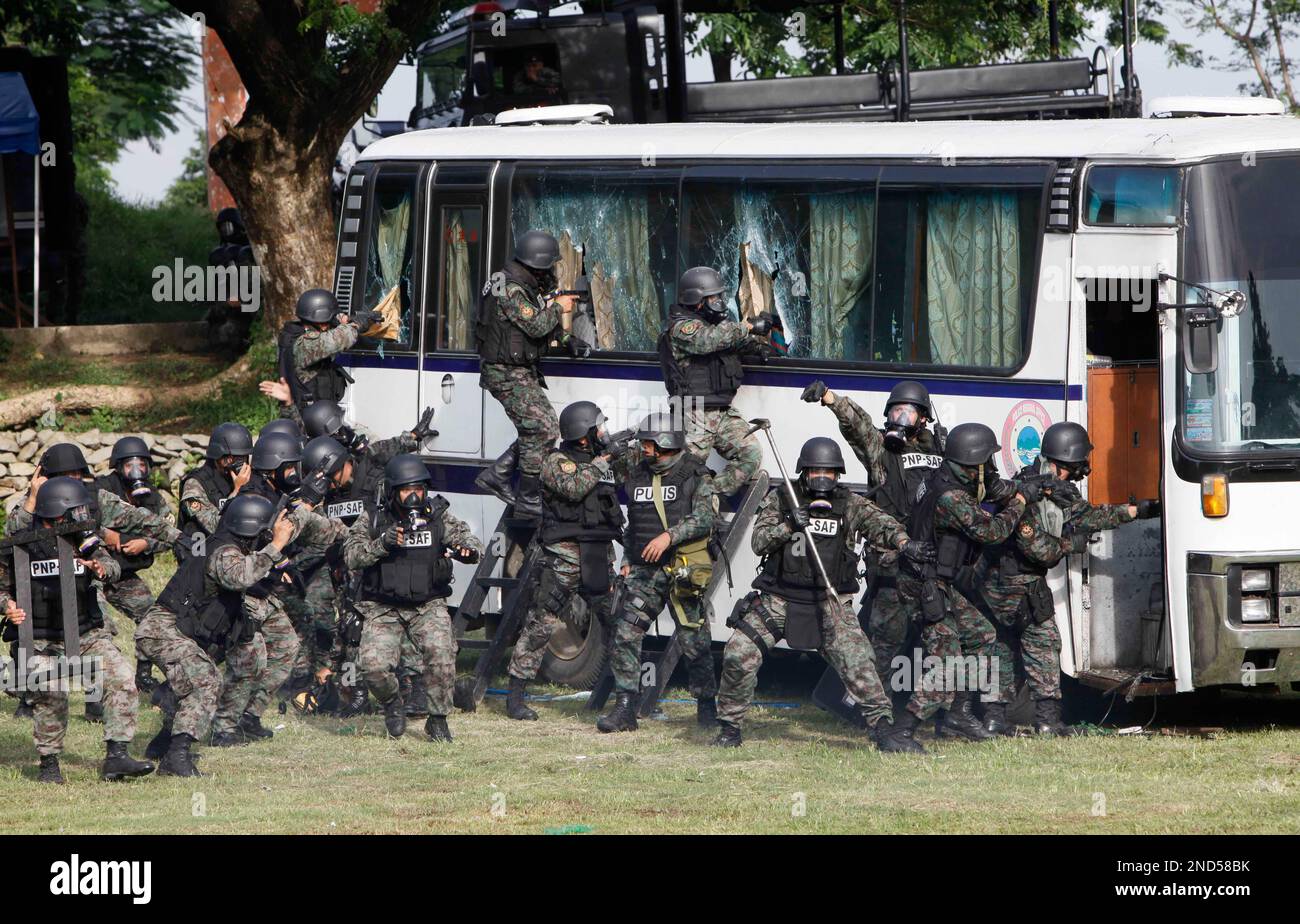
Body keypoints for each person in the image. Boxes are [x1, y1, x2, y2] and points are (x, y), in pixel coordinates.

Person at [713, 437, 933, 753]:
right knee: (738, 652)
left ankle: (883, 730)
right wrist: (789, 524)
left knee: (859, 662)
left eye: (829, 472)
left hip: (830, 601)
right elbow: (759, 542)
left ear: (838, 474)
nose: (822, 478)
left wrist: (904, 543)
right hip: (779, 599)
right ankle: (729, 727)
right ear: (804, 471)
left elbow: (882, 524)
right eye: (816, 471)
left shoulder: (850, 504)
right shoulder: (783, 499)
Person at [980, 422, 1161, 736]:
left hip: (1014, 584)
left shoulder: (1055, 488)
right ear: (1064, 462)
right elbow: (1039, 550)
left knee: (1003, 649)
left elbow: (1084, 515)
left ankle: (995, 718)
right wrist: (1070, 544)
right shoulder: (1027, 490)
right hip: (1011, 584)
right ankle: (1047, 721)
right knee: (1044, 644)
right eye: (1076, 467)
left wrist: (1134, 511)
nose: (1079, 473)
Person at [8, 443, 183, 722]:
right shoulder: (34, 502)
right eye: (63, 475)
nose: (71, 480)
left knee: (130, 619)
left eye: (76, 474)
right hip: (48, 579)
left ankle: (106, 695)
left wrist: (179, 539)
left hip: (98, 572)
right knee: (39, 631)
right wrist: (32, 496)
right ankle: (30, 696)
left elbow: (141, 519)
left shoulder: (96, 498)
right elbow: (14, 532)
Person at [1, 477, 154, 783]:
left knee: (122, 679)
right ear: (58, 513)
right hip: (39, 638)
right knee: (50, 692)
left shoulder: (84, 537)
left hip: (86, 633)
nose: (82, 514)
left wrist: (99, 568)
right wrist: (7, 606)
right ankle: (49, 763)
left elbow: (110, 566)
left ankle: (117, 756)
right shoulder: (20, 544)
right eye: (75, 509)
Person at [136, 495, 296, 775]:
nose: (268, 535)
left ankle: (163, 743)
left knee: (207, 673)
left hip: (182, 629)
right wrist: (276, 546)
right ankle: (177, 755)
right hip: (164, 629)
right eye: (265, 530)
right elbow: (241, 576)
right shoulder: (224, 551)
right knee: (206, 681)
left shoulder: (230, 547)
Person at [894, 423, 1030, 746]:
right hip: (922, 585)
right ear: (972, 465)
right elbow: (993, 531)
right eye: (986, 463)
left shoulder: (943, 477)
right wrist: (1021, 502)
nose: (989, 469)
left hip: (936, 580)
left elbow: (994, 489)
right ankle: (902, 729)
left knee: (983, 637)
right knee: (951, 662)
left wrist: (1023, 487)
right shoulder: (952, 497)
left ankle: (958, 713)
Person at [801, 379, 943, 668]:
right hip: (892, 562)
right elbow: (858, 425)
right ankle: (879, 708)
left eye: (907, 413)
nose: (899, 419)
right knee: (885, 642)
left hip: (931, 558)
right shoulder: (882, 451)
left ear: (924, 418)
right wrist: (830, 397)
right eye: (894, 413)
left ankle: (934, 706)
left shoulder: (940, 453)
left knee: (940, 638)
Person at [342, 454, 481, 741]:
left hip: (427, 605)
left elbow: (468, 539)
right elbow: (352, 556)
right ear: (393, 491)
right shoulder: (375, 518)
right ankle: (393, 703)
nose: (415, 496)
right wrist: (383, 543)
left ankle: (438, 719)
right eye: (407, 490)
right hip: (383, 606)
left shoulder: (438, 516)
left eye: (419, 489)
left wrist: (467, 551)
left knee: (441, 653)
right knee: (373, 666)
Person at [597, 412, 719, 733]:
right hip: (645, 573)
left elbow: (705, 518)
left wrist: (669, 536)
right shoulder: (638, 475)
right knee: (625, 633)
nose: (644, 450)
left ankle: (707, 705)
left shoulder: (696, 475)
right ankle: (626, 706)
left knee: (695, 641)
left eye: (649, 444)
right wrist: (627, 556)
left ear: (664, 444)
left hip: (683, 570)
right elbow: (635, 521)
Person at [505, 400, 622, 721]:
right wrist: (605, 460)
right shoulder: (556, 462)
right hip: (564, 557)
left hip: (599, 554)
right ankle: (515, 696)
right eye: (599, 427)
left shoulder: (604, 461)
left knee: (617, 623)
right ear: (583, 435)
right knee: (542, 624)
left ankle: (626, 697)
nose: (604, 432)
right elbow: (574, 487)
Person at [229, 430, 347, 739]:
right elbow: (263, 540)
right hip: (244, 589)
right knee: (235, 656)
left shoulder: (277, 492)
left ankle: (251, 715)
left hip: (266, 585)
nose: (296, 474)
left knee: (286, 645)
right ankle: (220, 721)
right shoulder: (253, 498)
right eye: (291, 468)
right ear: (274, 468)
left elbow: (309, 532)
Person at [474, 230, 590, 518]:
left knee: (540, 428)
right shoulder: (509, 289)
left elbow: (527, 330)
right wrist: (559, 308)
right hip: (505, 372)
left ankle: (499, 475)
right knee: (543, 428)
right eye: (548, 265)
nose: (550, 271)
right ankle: (526, 496)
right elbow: (536, 325)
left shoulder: (519, 285)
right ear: (536, 264)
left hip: (518, 370)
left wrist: (567, 340)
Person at [657, 266, 766, 499]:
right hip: (694, 414)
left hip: (722, 413)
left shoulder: (710, 325)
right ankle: (676, 519)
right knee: (683, 472)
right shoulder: (681, 328)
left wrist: (758, 344)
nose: (718, 302)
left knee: (750, 453)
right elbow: (709, 341)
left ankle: (707, 497)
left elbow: (728, 343)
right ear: (697, 300)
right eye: (713, 297)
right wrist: (747, 327)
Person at [93, 437, 172, 693]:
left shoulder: (153, 498)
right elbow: (83, 520)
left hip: (123, 574)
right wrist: (109, 536)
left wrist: (145, 544)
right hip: (93, 570)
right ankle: (97, 691)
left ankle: (144, 675)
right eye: (129, 465)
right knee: (98, 627)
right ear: (118, 466)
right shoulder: (102, 488)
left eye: (141, 464)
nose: (136, 470)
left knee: (151, 616)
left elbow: (170, 533)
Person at [276, 288, 381, 419]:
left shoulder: (293, 336)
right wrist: (358, 323)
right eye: (330, 319)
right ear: (323, 323)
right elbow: (342, 338)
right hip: (307, 422)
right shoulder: (306, 343)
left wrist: (343, 318)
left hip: (304, 416)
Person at [178, 422, 254, 550]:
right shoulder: (194, 485)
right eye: (233, 458)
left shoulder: (242, 478)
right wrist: (237, 492)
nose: (239, 464)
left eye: (243, 458)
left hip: (230, 553)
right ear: (219, 457)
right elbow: (214, 527)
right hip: (199, 554)